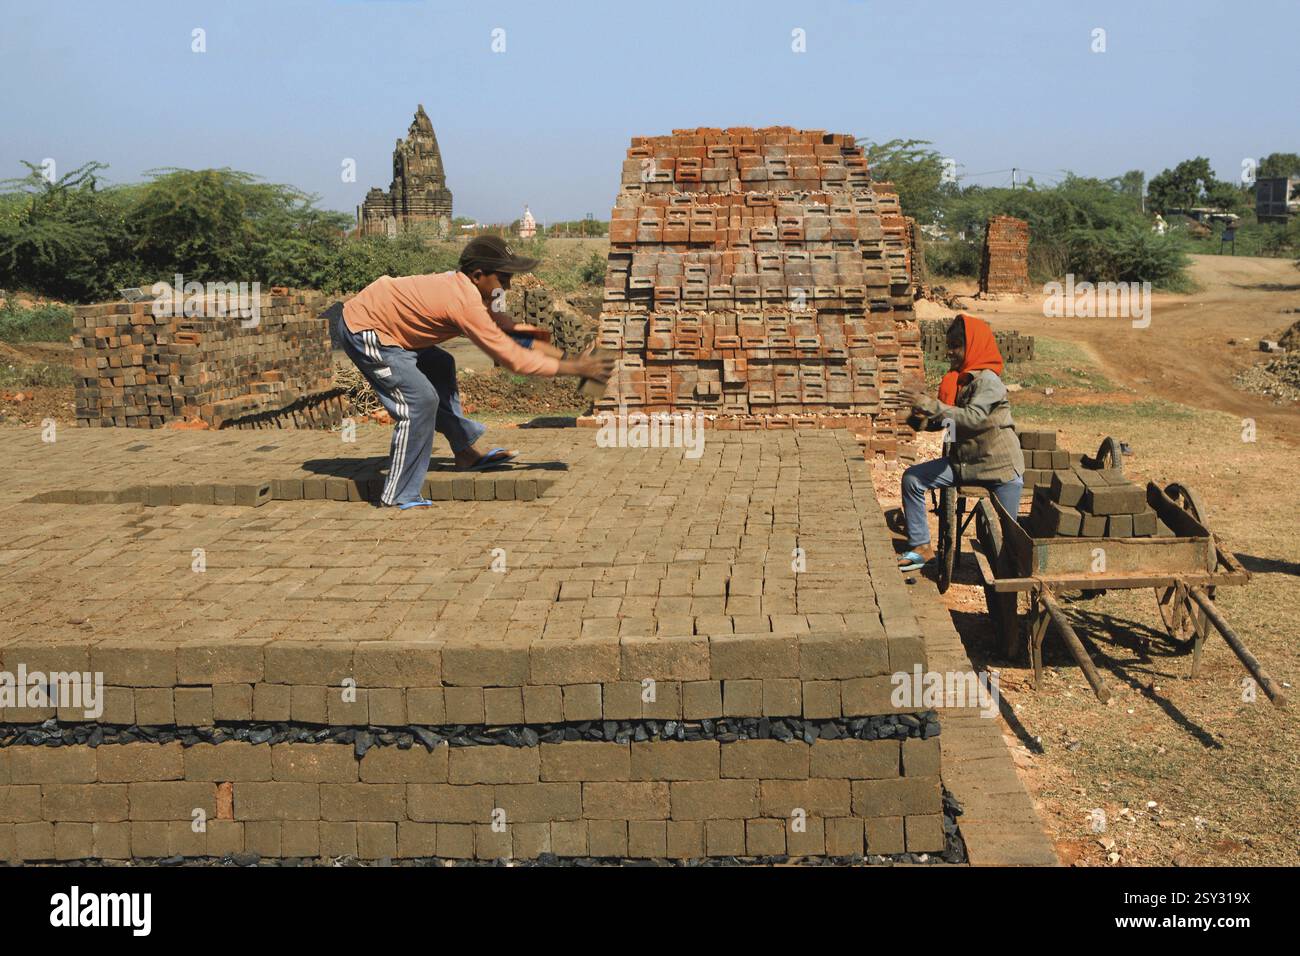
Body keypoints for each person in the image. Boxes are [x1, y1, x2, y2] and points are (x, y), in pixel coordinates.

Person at [335, 235, 613, 509]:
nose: (509, 286)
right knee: (419, 402)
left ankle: (465, 453)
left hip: (396, 330)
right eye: (504, 279)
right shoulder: (465, 302)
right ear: (479, 275)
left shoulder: (481, 295)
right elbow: (514, 360)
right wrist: (576, 368)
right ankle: (397, 495)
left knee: (442, 366)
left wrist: (571, 359)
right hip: (366, 328)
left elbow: (516, 335)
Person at [897, 313, 1024, 571]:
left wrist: (930, 405)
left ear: (973, 346)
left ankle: (1010, 587)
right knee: (912, 479)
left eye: (956, 346)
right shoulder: (960, 382)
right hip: (965, 465)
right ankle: (921, 546)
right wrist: (920, 422)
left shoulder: (988, 382)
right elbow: (953, 422)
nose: (950, 353)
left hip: (999, 470)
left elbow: (973, 418)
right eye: (949, 346)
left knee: (1010, 542)